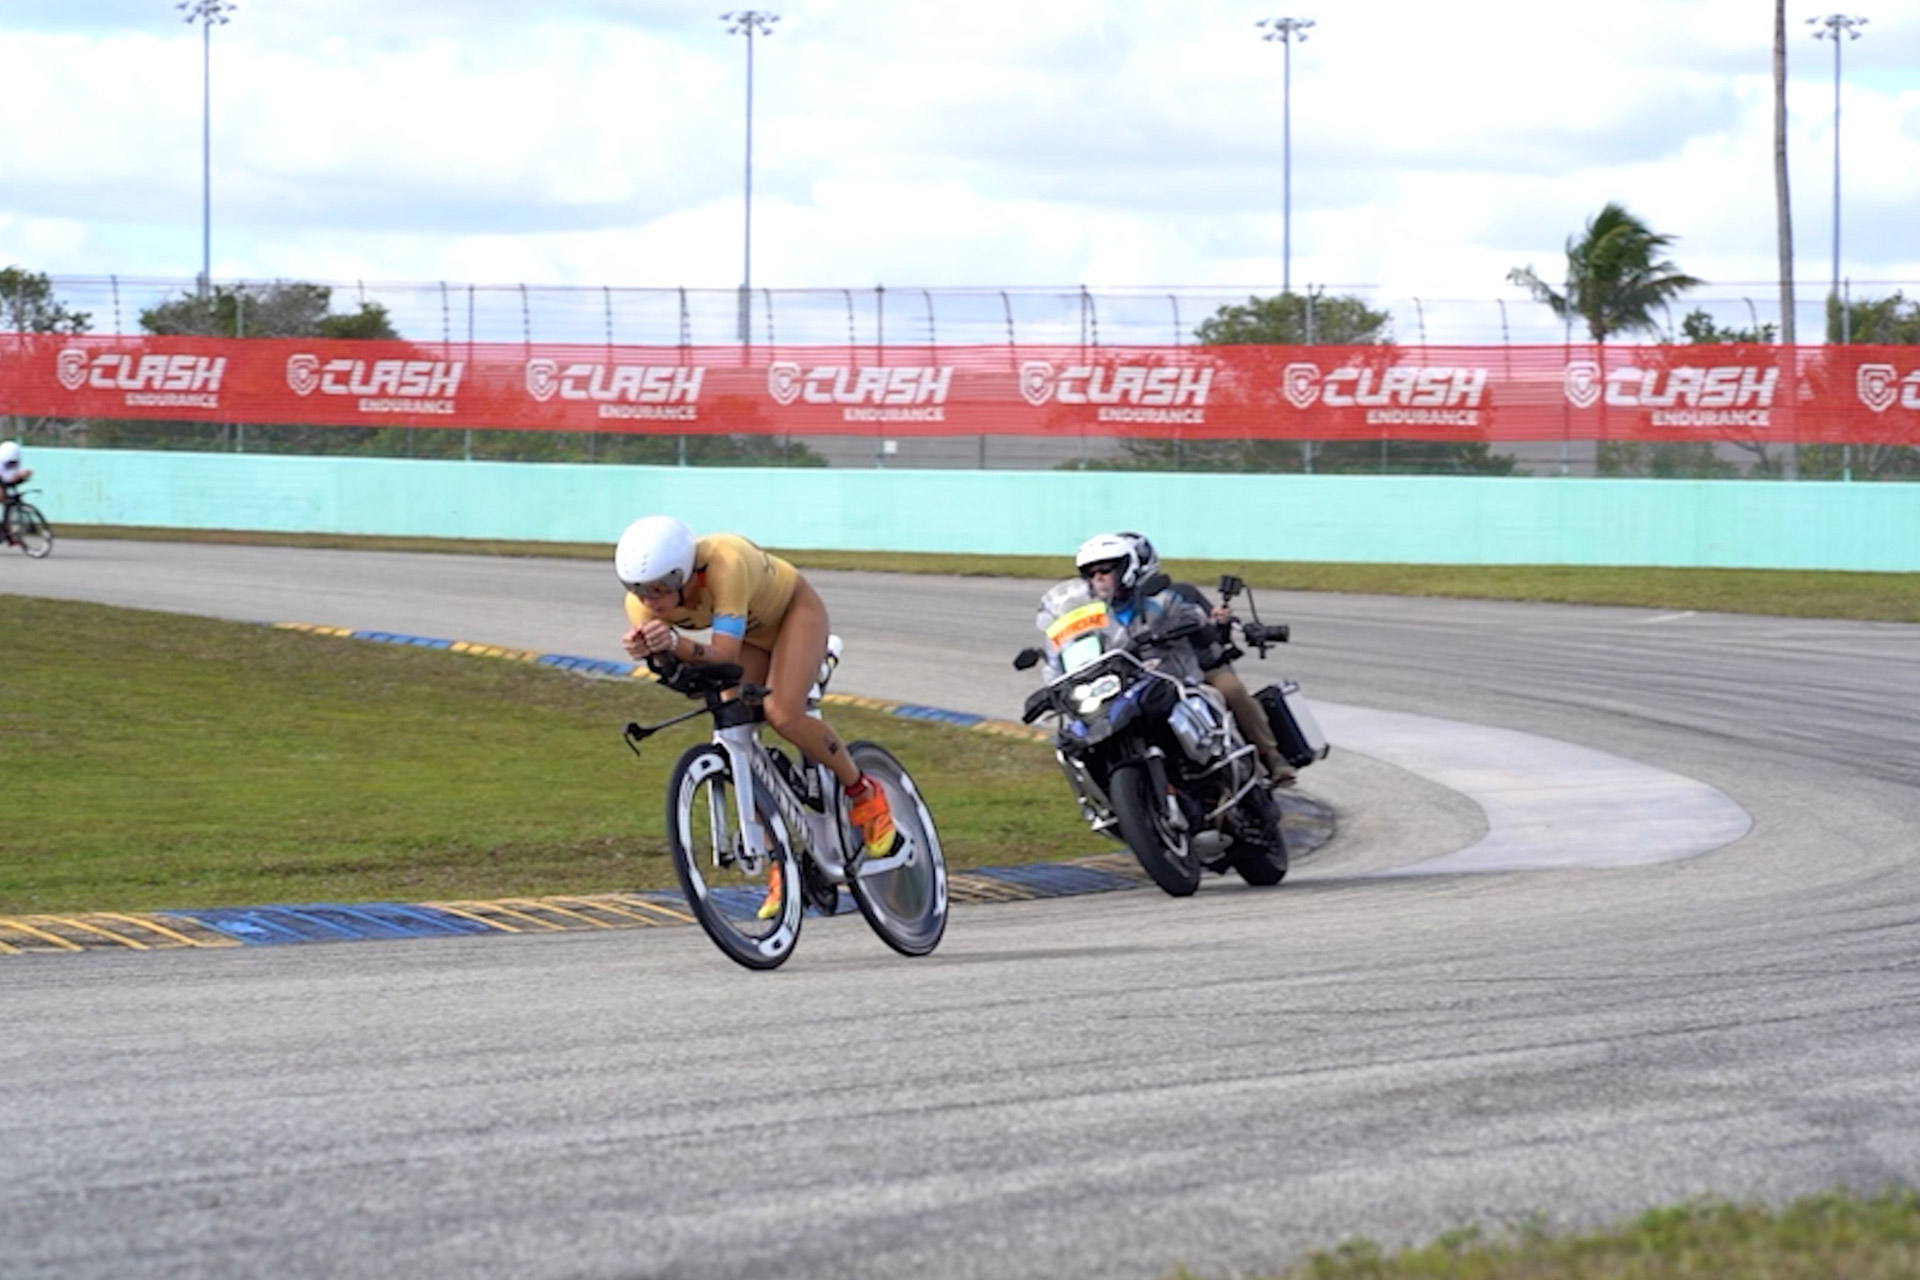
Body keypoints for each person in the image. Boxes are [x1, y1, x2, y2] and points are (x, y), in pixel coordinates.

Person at [614, 515, 897, 918]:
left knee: (782, 713)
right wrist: (656, 658)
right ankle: (783, 860)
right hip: (750, 636)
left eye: (658, 587)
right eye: (636, 589)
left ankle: (864, 793)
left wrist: (673, 643)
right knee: (736, 733)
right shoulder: (640, 610)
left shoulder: (723, 563)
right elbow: (688, 679)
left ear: (683, 574)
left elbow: (724, 656)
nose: (648, 599)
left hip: (793, 615)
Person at [1113, 531, 1295, 787]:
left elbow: (1210, 631)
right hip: (1148, 676)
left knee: (1231, 690)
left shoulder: (1179, 593)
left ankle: (1272, 756)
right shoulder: (1109, 607)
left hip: (1199, 668)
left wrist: (1217, 620)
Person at [0, 441, 31, 545]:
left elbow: (11, 479)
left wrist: (22, 476)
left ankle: (7, 532)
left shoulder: (13, 461)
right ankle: (6, 530)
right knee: (2, 496)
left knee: (8, 502)